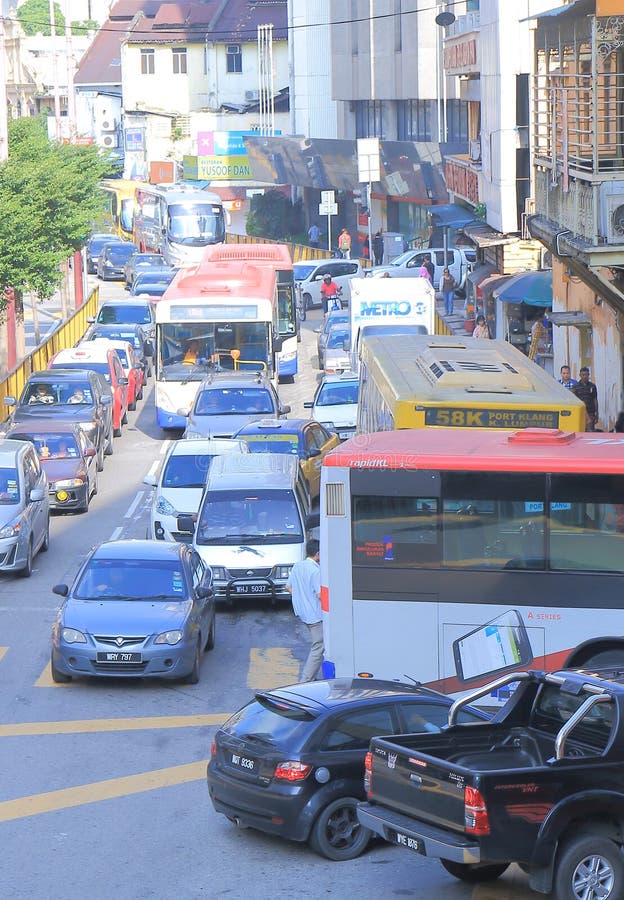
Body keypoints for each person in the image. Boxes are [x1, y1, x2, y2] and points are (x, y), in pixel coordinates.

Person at [285, 538, 323, 682]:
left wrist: (302, 598)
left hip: (303, 613)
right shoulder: (316, 571)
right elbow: (320, 595)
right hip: (316, 615)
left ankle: (312, 678)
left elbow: (288, 587)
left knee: (317, 644)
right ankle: (306, 681)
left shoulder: (298, 566)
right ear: (318, 554)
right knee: (319, 647)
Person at [572, 366, 599, 431]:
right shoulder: (575, 387)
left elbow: (595, 399)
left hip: (591, 412)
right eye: (583, 375)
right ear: (580, 375)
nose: (584, 376)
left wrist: (597, 412)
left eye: (586, 375)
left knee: (590, 431)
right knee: (580, 431)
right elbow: (574, 401)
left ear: (588, 375)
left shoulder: (592, 386)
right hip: (580, 413)